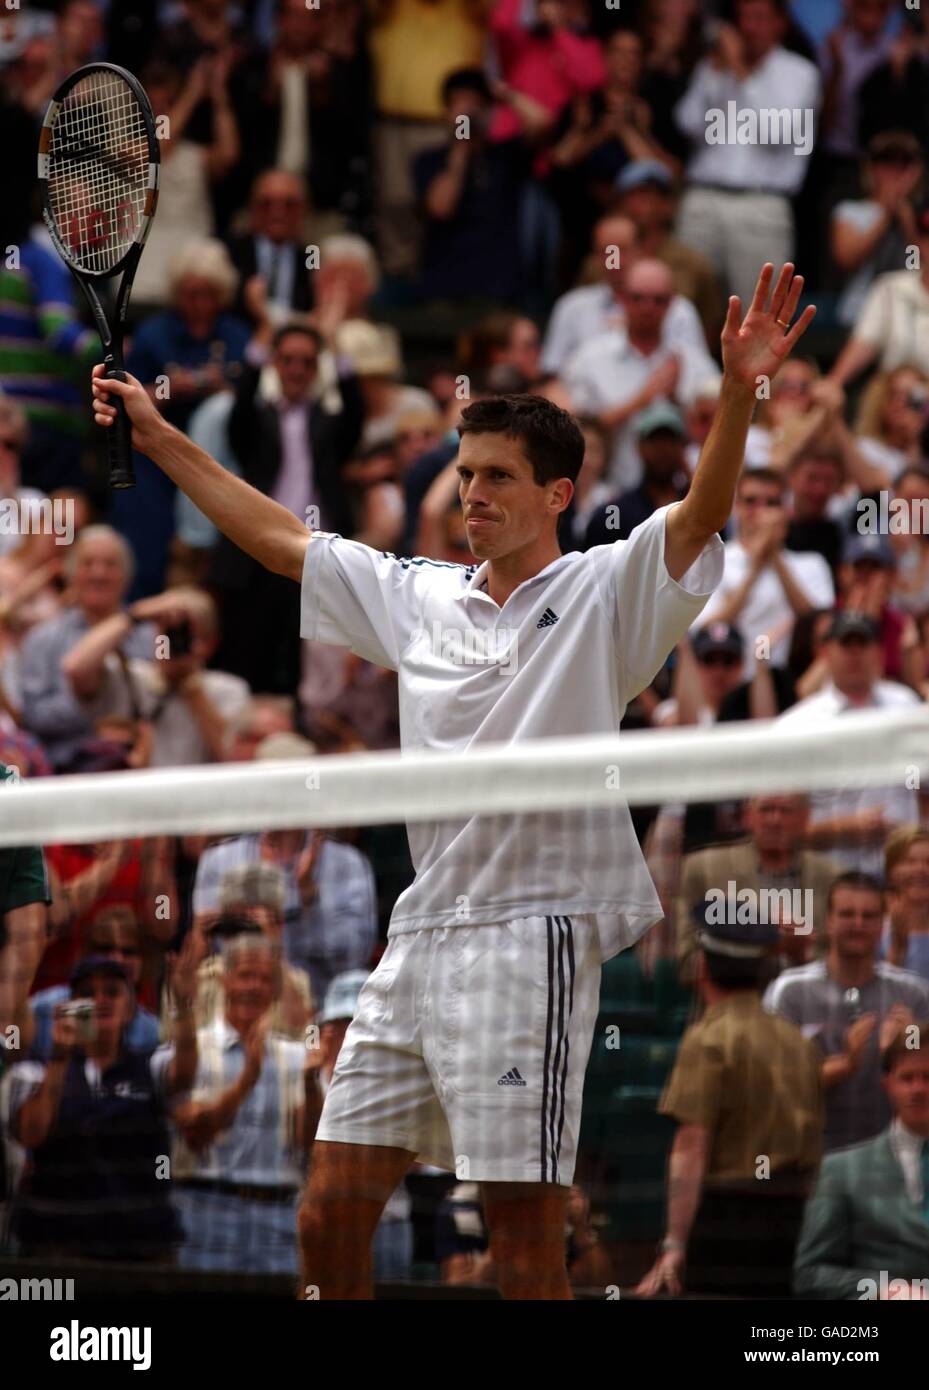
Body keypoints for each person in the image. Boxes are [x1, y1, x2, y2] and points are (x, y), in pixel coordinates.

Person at [90, 261, 816, 1300]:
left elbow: (699, 515)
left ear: (557, 495)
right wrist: (158, 435)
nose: (473, 493)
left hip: (535, 931)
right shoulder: (417, 594)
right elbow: (281, 539)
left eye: (498, 478)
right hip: (420, 935)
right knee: (328, 1211)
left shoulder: (606, 590)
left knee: (522, 1240)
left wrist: (739, 391)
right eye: (466, 473)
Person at [636, 917, 823, 1298]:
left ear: (702, 968)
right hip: (794, 1218)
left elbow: (692, 1144)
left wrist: (674, 1244)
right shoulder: (798, 1043)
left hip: (727, 1222)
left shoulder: (708, 1040)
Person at [7, 943, 200, 1261]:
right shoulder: (39, 1072)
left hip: (139, 1247)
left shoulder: (151, 1066)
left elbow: (184, 1074)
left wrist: (183, 1006)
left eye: (112, 992)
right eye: (88, 993)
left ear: (130, 1008)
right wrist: (59, 1057)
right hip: (57, 1247)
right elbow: (32, 1134)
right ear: (70, 1006)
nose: (100, 1000)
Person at [157, 934, 322, 1275]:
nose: (254, 987)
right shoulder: (192, 1052)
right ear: (225, 980)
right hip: (206, 1209)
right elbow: (196, 1134)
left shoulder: (297, 1060)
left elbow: (307, 1143)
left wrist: (310, 1083)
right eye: (246, 975)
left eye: (265, 979)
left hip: (277, 1215)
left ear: (276, 990)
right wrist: (248, 1078)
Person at [764, 872, 929, 1153]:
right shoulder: (789, 991)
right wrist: (846, 1064)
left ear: (883, 924)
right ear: (828, 920)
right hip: (808, 1156)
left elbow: (921, 1086)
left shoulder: (912, 993)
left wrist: (906, 1049)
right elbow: (773, 1086)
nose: (858, 924)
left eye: (869, 916)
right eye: (847, 914)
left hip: (894, 1158)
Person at [673, 0, 822, 306]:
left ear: (780, 24)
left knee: (757, 311)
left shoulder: (800, 73)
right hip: (703, 200)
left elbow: (775, 133)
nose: (750, 27)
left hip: (761, 206)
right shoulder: (715, 67)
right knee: (686, 305)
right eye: (744, 18)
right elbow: (687, 124)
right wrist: (715, 76)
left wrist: (740, 71)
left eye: (759, 18)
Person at [776, 611, 923, 875]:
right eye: (846, 644)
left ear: (879, 652)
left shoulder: (907, 706)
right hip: (828, 877)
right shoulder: (797, 724)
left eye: (863, 644)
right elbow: (777, 826)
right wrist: (841, 829)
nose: (855, 654)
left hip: (902, 878)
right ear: (825, 652)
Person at [793, 1022, 929, 1299]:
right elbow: (810, 1275)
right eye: (907, 1078)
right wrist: (884, 1290)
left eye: (928, 1077)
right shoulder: (841, 1171)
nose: (918, 1089)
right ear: (888, 1085)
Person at [563, 257, 718, 490]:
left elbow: (716, 435)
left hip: (679, 494)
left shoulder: (696, 364)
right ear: (622, 299)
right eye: (638, 298)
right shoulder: (590, 359)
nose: (648, 308)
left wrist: (676, 401)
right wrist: (641, 399)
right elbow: (575, 430)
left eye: (658, 300)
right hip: (609, 492)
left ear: (672, 303)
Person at [18, 527, 156, 770]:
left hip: (141, 767)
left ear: (127, 576)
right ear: (70, 574)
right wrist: (90, 705)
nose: (98, 573)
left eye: (110, 564)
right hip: (65, 770)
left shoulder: (152, 636)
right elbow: (33, 716)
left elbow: (163, 701)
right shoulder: (43, 639)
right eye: (88, 563)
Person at [674, 794, 842, 984]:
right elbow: (686, 965)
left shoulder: (831, 877)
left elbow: (848, 965)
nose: (775, 820)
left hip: (807, 999)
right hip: (733, 998)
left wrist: (801, 955)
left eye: (785, 811)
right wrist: (759, 947)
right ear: (747, 815)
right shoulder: (704, 868)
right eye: (766, 809)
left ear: (805, 817)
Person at [693, 468, 835, 684]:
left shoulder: (812, 564)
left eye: (771, 503)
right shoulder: (712, 559)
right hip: (730, 685)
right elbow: (705, 631)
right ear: (736, 507)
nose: (761, 512)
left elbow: (817, 625)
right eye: (751, 501)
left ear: (786, 510)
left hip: (794, 683)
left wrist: (774, 555)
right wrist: (755, 568)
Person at [29, 905, 159, 1062]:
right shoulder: (43, 1009)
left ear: (143, 961)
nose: (117, 960)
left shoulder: (151, 1032)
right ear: (88, 953)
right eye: (106, 949)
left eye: (128, 952)